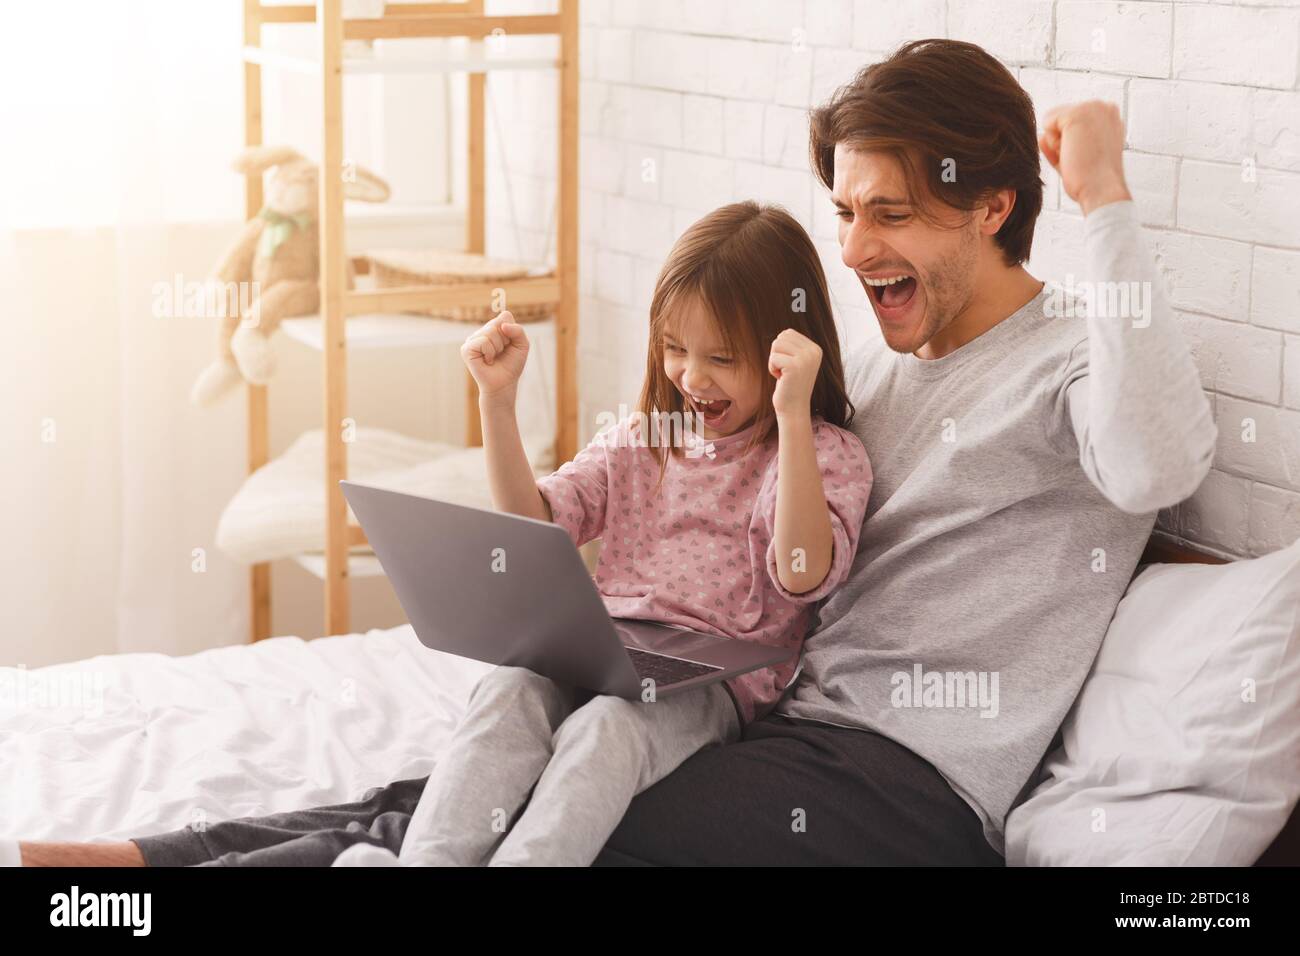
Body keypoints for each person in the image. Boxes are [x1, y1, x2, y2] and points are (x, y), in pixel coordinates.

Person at [14, 39, 1214, 868]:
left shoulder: (1082, 362)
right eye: (845, 212)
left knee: (573, 827)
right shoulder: (893, 366)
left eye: (886, 213)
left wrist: (1103, 196)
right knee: (495, 777)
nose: (852, 250)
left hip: (904, 780)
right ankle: (152, 859)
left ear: (993, 203)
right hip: (779, 715)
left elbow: (1157, 465)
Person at [328, 201, 871, 867]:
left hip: (708, 685)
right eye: (675, 349)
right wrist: (496, 406)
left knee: (606, 728)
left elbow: (801, 571)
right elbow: (536, 525)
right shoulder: (641, 440)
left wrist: (791, 417)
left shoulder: (824, 454)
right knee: (509, 689)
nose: (692, 378)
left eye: (721, 358)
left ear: (786, 352)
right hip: (601, 649)